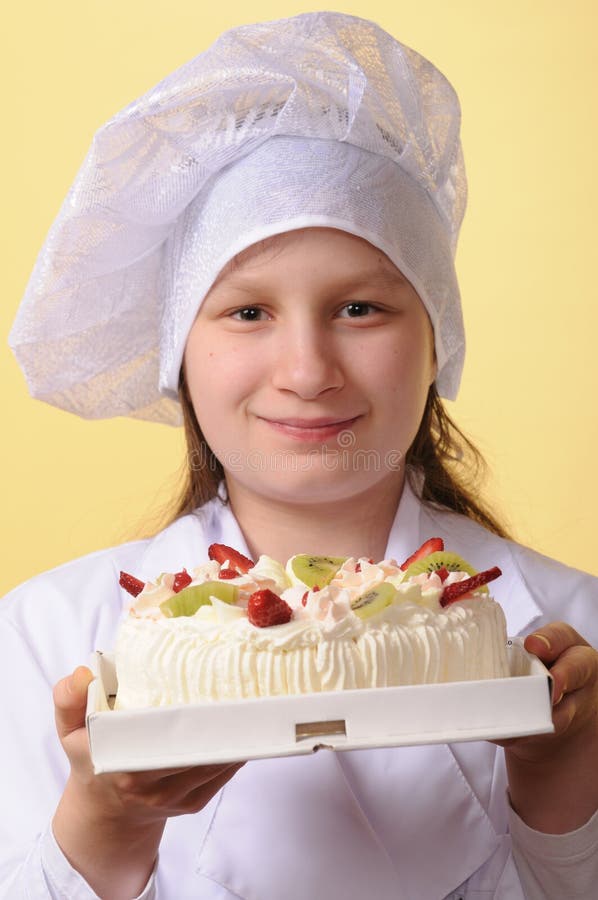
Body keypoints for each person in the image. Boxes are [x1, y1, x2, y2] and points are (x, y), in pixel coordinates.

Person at [2, 11, 597, 900]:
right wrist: (107, 824)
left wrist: (561, 802)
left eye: (360, 308)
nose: (308, 372)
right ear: (178, 352)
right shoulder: (45, 637)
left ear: (438, 339)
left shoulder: (569, 634)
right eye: (247, 312)